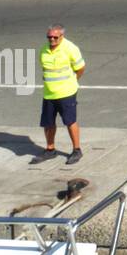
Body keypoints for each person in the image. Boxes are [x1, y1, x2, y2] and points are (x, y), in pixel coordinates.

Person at [34, 24, 85, 164]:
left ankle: (77, 150)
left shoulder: (70, 48)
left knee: (70, 121)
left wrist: (72, 81)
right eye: (49, 37)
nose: (52, 39)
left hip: (66, 92)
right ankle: (50, 150)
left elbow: (80, 68)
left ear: (62, 36)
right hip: (49, 93)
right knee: (48, 123)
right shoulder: (44, 49)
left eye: (55, 37)